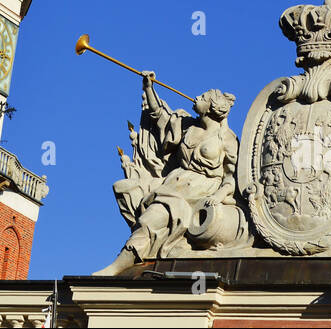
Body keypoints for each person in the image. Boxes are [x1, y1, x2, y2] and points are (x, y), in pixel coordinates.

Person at [97, 72, 237, 275]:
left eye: (204, 97)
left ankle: (117, 266)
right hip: (176, 181)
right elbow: (160, 117)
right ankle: (140, 251)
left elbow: (231, 179)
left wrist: (216, 197)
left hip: (200, 190)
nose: (198, 97)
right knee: (125, 189)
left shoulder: (227, 138)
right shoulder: (188, 126)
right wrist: (148, 88)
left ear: (213, 107)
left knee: (154, 216)